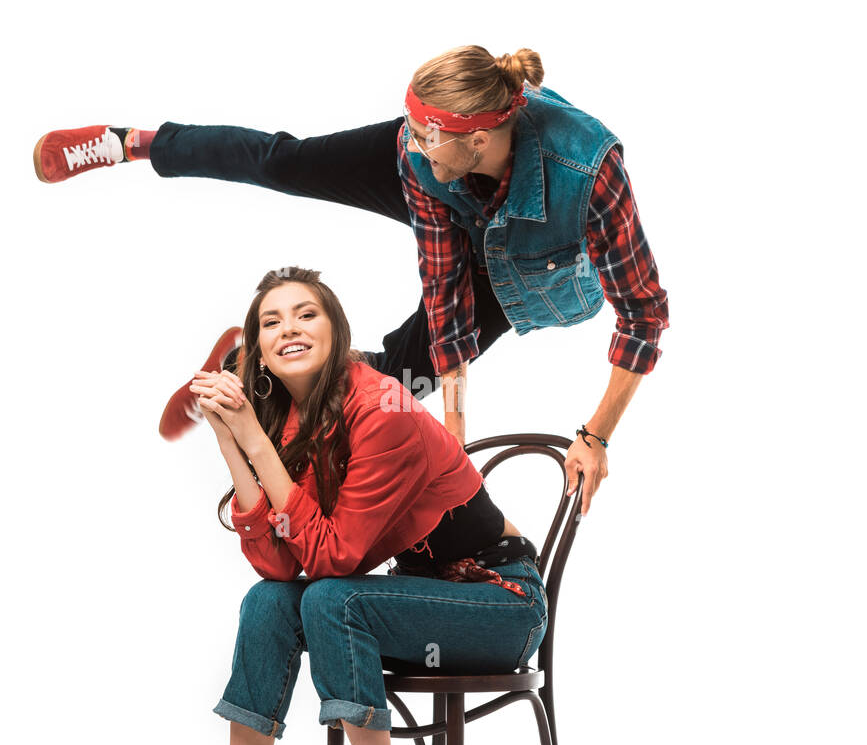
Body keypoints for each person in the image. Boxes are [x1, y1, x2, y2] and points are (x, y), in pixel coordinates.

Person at [32, 45, 670, 513]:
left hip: (526, 273)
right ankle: (132, 142)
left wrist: (596, 437)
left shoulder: (589, 169)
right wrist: (454, 437)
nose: (409, 144)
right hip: (458, 215)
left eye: (425, 135)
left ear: (476, 139)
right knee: (288, 162)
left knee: (395, 384)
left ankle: (245, 365)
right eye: (409, 128)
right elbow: (442, 288)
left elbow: (643, 315)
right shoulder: (421, 157)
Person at [191, 265, 548, 745]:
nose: (288, 328)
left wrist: (256, 441)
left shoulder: (380, 405)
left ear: (337, 331)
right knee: (270, 602)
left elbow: (333, 561)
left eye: (306, 315)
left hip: (496, 606)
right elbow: (276, 564)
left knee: (331, 598)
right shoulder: (290, 421)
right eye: (271, 321)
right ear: (256, 352)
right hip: (411, 608)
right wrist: (230, 440)